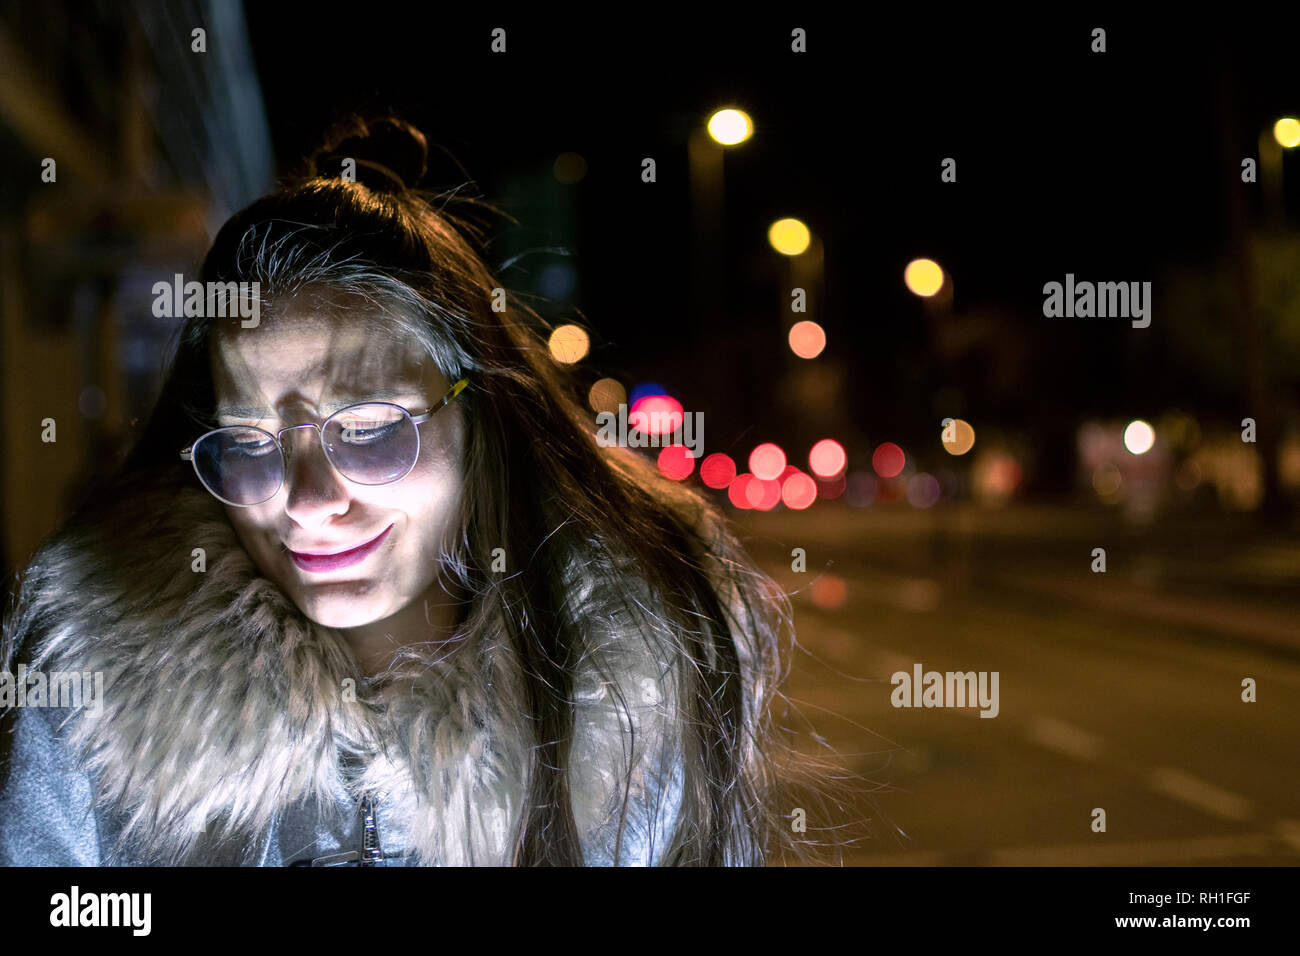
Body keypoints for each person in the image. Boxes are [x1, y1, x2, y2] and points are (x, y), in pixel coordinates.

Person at [0, 116, 839, 866]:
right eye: (251, 443)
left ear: (482, 420)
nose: (306, 499)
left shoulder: (633, 707)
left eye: (368, 429)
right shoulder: (99, 703)